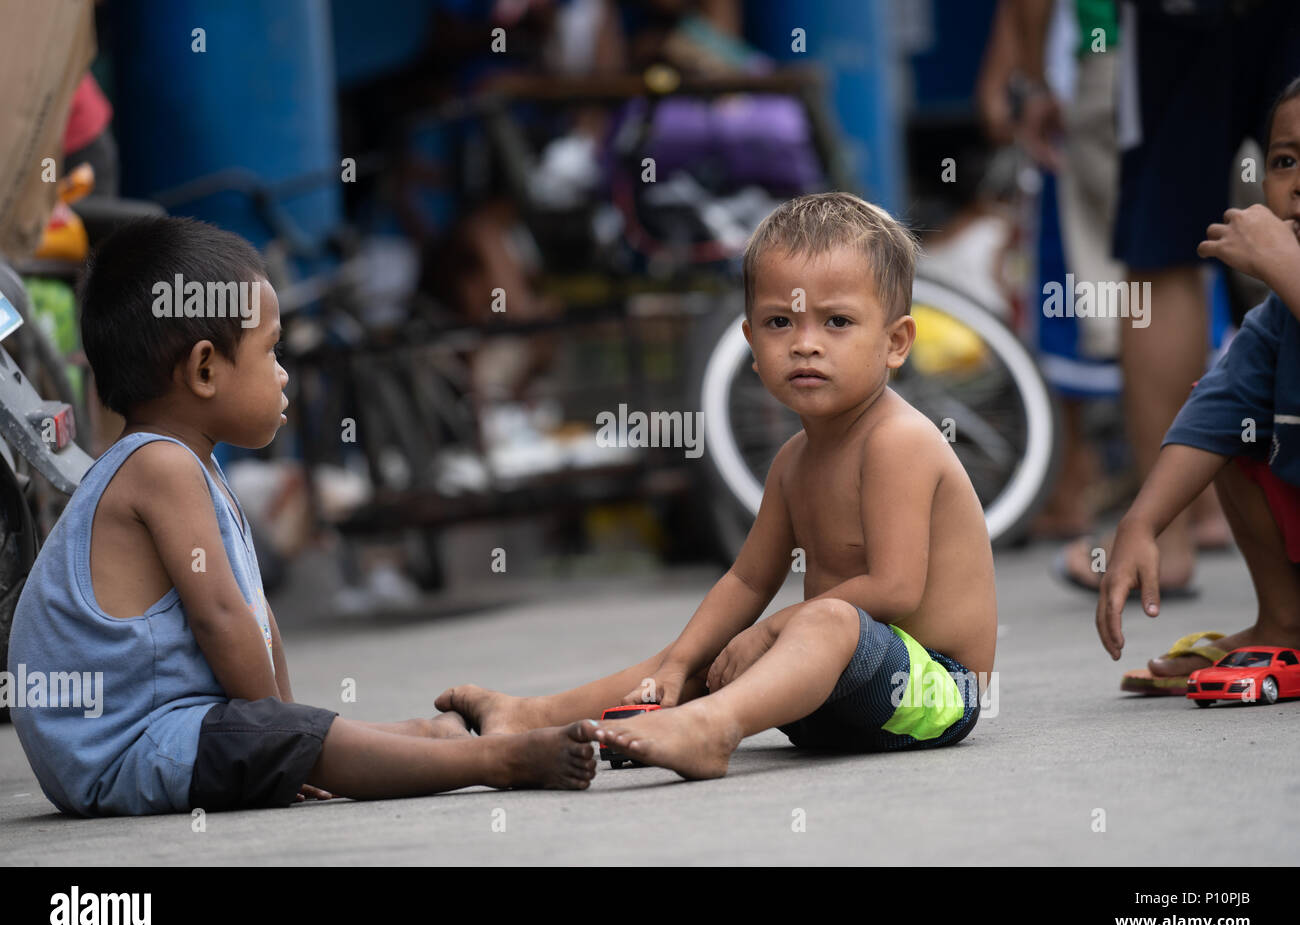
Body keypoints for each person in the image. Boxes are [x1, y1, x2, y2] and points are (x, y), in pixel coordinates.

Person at [6, 217, 596, 816]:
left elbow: (255, 617)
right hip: (124, 752)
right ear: (205, 370)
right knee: (301, 738)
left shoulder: (193, 466)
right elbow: (220, 620)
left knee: (319, 736)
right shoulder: (160, 467)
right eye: (271, 350)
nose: (283, 373)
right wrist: (284, 738)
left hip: (169, 734)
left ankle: (425, 737)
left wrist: (293, 733)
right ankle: (498, 762)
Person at [436, 193, 996, 779]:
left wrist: (773, 630)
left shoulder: (897, 441)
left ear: (896, 342)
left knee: (820, 622)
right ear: (752, 346)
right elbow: (749, 578)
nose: (806, 342)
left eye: (837, 321)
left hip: (932, 695)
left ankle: (709, 729)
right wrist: (681, 663)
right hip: (828, 699)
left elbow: (896, 588)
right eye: (781, 322)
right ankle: (532, 717)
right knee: (703, 653)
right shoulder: (792, 460)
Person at [1097, 78, 1300, 693]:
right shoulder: (1276, 317)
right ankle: (1286, 624)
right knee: (1226, 424)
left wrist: (1285, 267)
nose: (1297, 181)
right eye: (1286, 160)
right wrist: (1140, 523)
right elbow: (1213, 409)